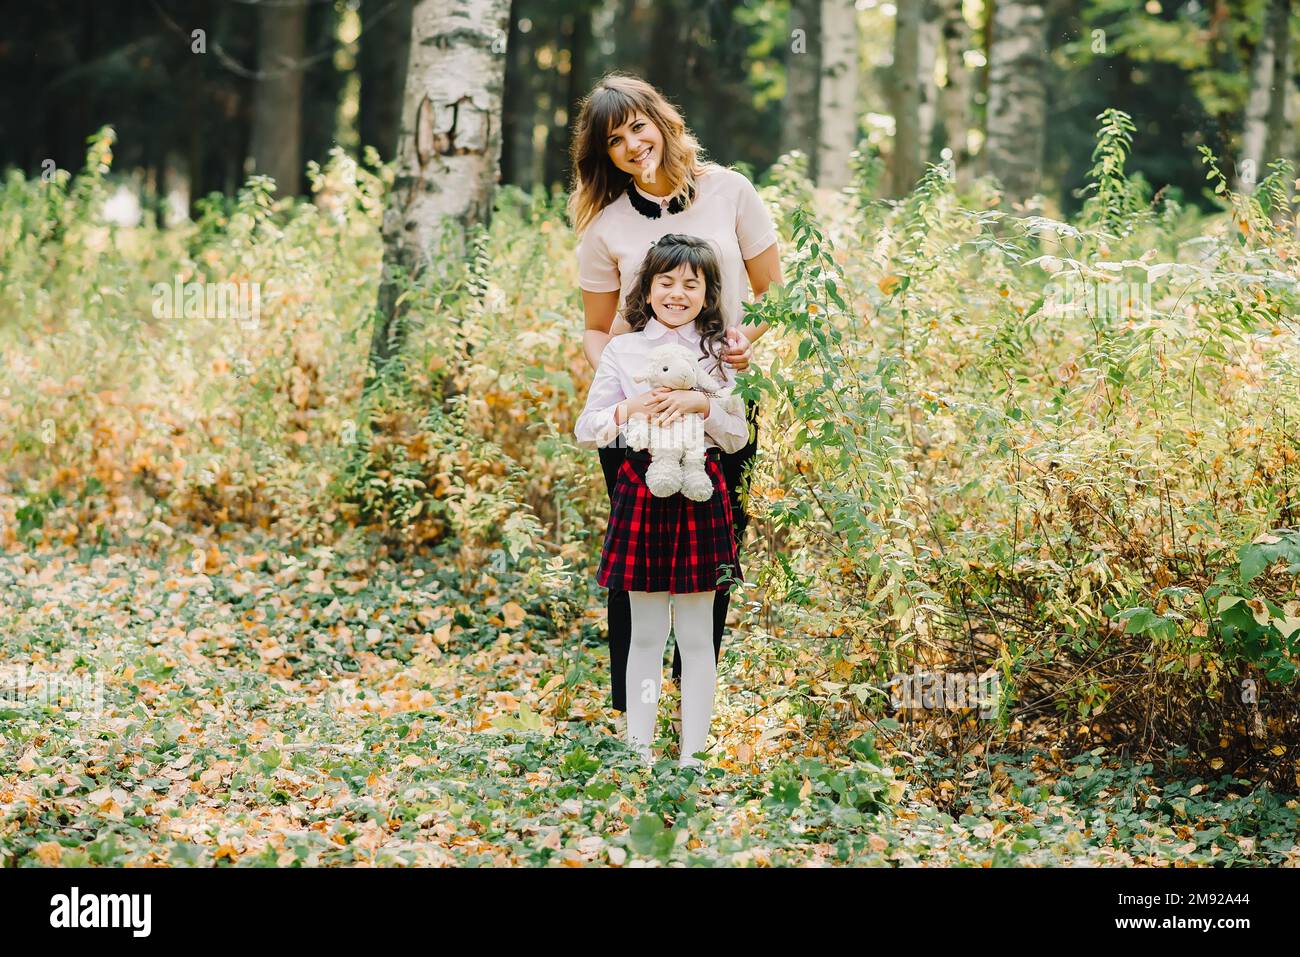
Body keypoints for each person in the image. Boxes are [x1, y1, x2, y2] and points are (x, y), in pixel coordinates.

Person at [567, 71, 782, 726]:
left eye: (638, 126)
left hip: (720, 407)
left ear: (660, 122)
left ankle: (695, 697)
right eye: (615, 140)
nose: (633, 144)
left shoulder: (730, 192)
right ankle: (634, 711)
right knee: (639, 560)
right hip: (638, 424)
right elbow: (596, 329)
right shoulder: (605, 228)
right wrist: (626, 386)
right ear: (605, 156)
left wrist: (748, 345)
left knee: (711, 554)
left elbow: (776, 296)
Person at [573, 234, 748, 768]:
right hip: (643, 492)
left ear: (707, 292)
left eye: (690, 284)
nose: (677, 293)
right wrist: (628, 410)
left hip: (702, 495)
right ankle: (640, 748)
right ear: (646, 289)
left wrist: (703, 405)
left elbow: (737, 435)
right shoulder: (624, 351)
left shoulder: (720, 354)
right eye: (665, 282)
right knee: (645, 636)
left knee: (698, 636)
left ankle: (694, 753)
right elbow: (587, 427)